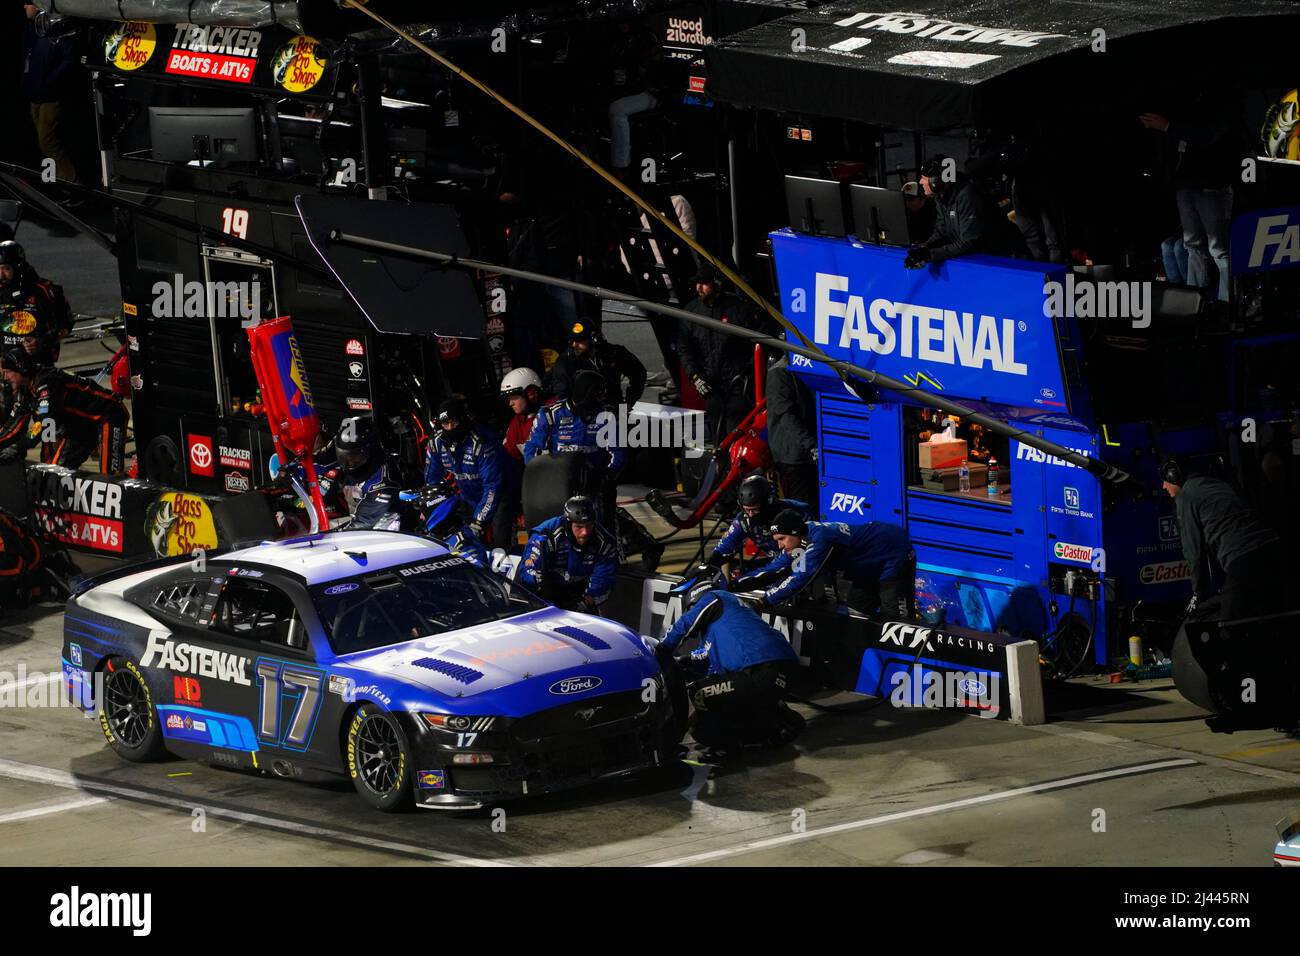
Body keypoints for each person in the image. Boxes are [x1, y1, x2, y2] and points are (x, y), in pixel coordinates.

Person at [659, 566, 804, 756]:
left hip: (763, 669)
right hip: (777, 670)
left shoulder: (716, 597)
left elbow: (683, 625)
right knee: (714, 700)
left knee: (699, 693)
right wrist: (683, 661)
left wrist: (660, 651)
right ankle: (776, 722)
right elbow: (705, 663)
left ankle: (732, 745)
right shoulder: (725, 623)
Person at [1140, 96, 1242, 303]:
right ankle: (1196, 301)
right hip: (1186, 185)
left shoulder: (1223, 104)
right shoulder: (1184, 106)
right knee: (1192, 246)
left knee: (1219, 249)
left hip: (1212, 186)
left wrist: (1168, 126)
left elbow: (1208, 135)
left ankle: (1227, 302)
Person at [1160, 459, 1290, 620]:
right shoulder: (1218, 485)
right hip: (1275, 550)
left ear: (1174, 477)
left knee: (1228, 627)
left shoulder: (1185, 496)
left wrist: (1198, 593)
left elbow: (1193, 552)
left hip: (1243, 559)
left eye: (1165, 481)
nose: (1163, 487)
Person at [737, 510, 916, 619]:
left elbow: (800, 578)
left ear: (794, 532)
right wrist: (735, 585)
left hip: (893, 553)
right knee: (857, 610)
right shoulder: (801, 537)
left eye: (782, 539)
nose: (779, 545)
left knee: (896, 621)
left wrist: (763, 602)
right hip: (865, 566)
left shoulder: (821, 539)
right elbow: (774, 569)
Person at [0, 345, 127, 473]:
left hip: (108, 415)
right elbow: (14, 424)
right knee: (56, 474)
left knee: (110, 476)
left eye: (7, 372)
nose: (5, 377)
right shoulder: (25, 388)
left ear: (21, 368)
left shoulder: (46, 382)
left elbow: (46, 424)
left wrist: (18, 447)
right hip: (79, 425)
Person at [678, 263, 765, 440]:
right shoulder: (691, 311)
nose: (698, 288)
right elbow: (683, 348)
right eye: (697, 283)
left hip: (737, 384)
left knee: (735, 432)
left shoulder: (738, 308)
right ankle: (720, 465)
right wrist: (696, 377)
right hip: (711, 385)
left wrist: (746, 375)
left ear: (716, 284)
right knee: (718, 434)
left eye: (704, 283)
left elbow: (757, 341)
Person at [424, 398, 512, 547]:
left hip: (502, 492)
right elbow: (432, 480)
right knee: (463, 540)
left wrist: (479, 521)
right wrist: (429, 508)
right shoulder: (436, 443)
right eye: (446, 424)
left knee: (499, 538)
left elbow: (493, 486)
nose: (451, 428)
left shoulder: (483, 442)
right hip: (469, 495)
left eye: (455, 422)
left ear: (464, 419)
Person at [904, 155, 1014, 269]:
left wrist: (929, 255)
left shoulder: (968, 196)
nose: (921, 182)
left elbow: (968, 242)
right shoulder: (941, 196)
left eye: (925, 178)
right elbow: (942, 232)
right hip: (981, 258)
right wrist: (923, 248)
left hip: (1004, 259)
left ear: (936, 181)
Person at [518, 495, 619, 611]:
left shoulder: (605, 543)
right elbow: (525, 572)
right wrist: (538, 578)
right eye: (579, 527)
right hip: (543, 592)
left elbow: (604, 581)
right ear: (569, 523)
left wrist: (588, 600)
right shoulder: (545, 536)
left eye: (589, 526)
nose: (585, 532)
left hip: (577, 594)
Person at [22, 4, 83, 187]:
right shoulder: (34, 31)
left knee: (47, 141)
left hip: (50, 96)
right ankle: (57, 183)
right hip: (36, 95)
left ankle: (75, 186)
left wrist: (50, 82)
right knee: (44, 143)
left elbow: (70, 60)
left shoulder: (61, 30)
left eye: (29, 3)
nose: (25, 6)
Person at [705, 474, 809, 574]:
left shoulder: (797, 512)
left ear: (768, 502)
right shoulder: (743, 521)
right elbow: (723, 550)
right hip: (775, 565)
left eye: (754, 510)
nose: (750, 515)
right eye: (746, 510)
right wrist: (708, 569)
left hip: (802, 562)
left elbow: (813, 546)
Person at [324, 415, 409, 528]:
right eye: (344, 456)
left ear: (370, 450)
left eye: (354, 456)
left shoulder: (384, 481)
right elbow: (319, 464)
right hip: (356, 518)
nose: (349, 463)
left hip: (382, 529)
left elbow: (363, 523)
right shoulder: (345, 461)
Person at [1, 240, 72, 368]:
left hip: (38, 367)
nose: (1, 275)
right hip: (6, 370)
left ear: (18, 266)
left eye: (6, 269)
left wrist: (41, 342)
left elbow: (66, 324)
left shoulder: (44, 291)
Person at [549, 320, 646, 410]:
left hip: (614, 409)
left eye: (580, 341)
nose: (575, 345)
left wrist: (629, 401)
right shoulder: (565, 362)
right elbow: (562, 395)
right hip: (583, 416)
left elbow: (639, 373)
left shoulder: (614, 353)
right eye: (573, 341)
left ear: (594, 339)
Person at [765, 359, 819, 508]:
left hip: (810, 451)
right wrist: (811, 445)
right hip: (794, 457)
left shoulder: (812, 366)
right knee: (802, 509)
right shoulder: (780, 372)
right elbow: (786, 416)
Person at [414, 482, 490, 568]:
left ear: (435, 511)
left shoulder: (464, 545)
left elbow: (478, 576)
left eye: (423, 512)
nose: (421, 517)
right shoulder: (435, 536)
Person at [500, 367, 544, 466]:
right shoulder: (518, 421)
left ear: (531, 394)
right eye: (509, 399)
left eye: (514, 398)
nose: (510, 404)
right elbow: (507, 455)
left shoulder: (554, 412)